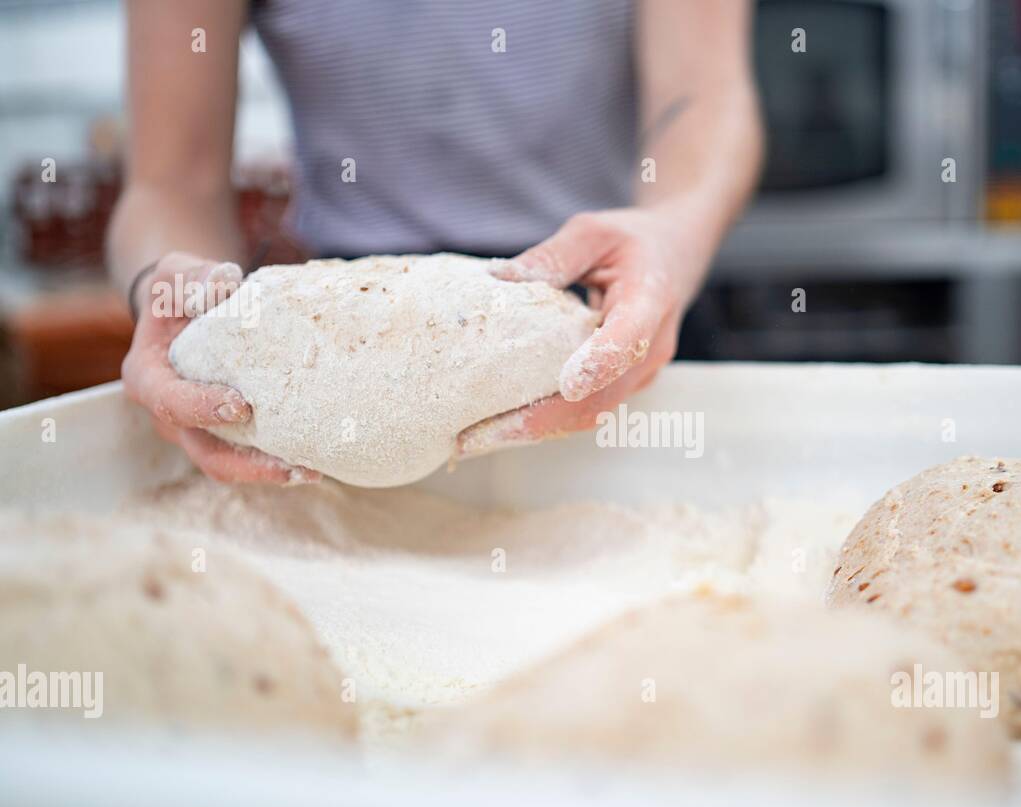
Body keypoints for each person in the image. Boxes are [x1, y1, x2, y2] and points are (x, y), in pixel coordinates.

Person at [108, 0, 763, 483]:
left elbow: (703, 97)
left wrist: (674, 229)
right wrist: (162, 293)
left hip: (615, 314)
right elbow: (170, 185)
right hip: (328, 353)